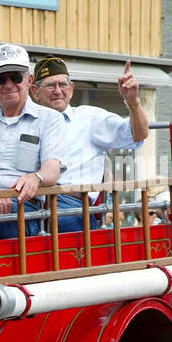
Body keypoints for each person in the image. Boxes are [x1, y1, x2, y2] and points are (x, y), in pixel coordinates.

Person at [30, 56, 148, 232]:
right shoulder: (26, 122)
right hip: (30, 203)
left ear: (71, 89)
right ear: (34, 92)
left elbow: (138, 135)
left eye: (62, 85)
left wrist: (133, 102)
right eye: (50, 85)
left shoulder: (89, 118)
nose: (57, 91)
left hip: (70, 206)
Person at [0, 44, 66, 239]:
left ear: (28, 80)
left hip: (21, 205)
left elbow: (52, 170)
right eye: (0, 79)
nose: (8, 85)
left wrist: (34, 178)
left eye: (15, 77)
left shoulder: (49, 119)